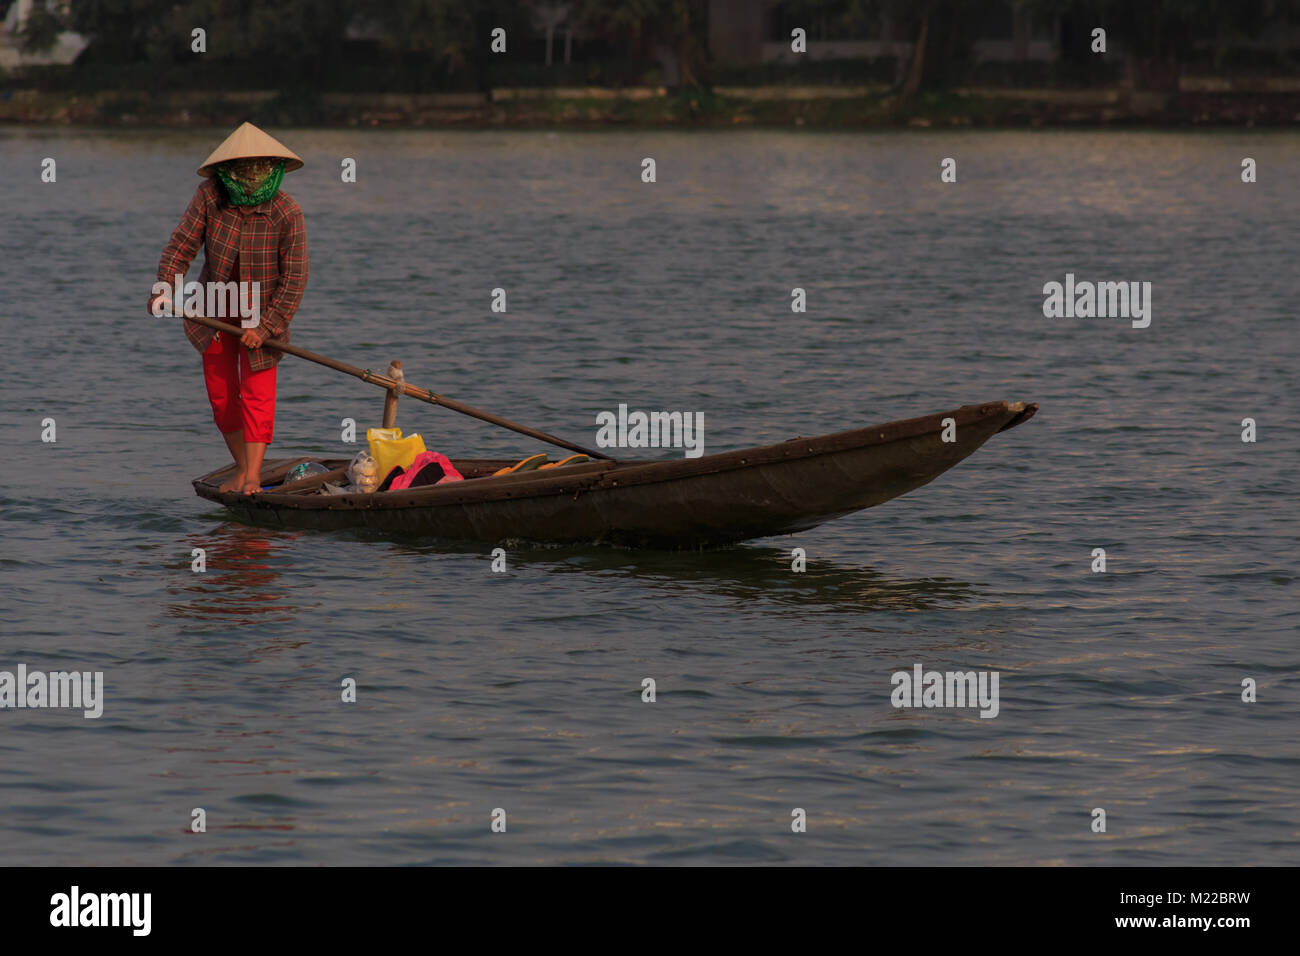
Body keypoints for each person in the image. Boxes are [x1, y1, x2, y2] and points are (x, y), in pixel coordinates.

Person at [150, 122, 308, 494]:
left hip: (262, 315)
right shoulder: (209, 196)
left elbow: (295, 279)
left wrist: (266, 328)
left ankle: (253, 475)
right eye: (243, 169)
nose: (250, 177)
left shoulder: (287, 212)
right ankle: (241, 466)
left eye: (258, 168)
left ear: (271, 168)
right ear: (228, 170)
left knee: (256, 393)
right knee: (222, 395)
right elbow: (181, 246)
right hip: (214, 309)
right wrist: (165, 289)